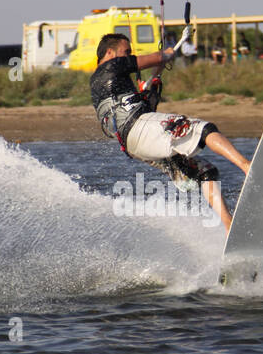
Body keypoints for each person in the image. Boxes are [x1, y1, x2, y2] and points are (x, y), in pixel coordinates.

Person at [90, 32, 249, 230]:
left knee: (205, 172)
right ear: (110, 52)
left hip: (134, 146)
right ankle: (246, 166)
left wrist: (148, 96)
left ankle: (228, 224)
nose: (129, 55)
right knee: (204, 129)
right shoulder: (111, 64)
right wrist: (166, 55)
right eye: (126, 51)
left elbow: (127, 110)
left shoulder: (98, 82)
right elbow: (158, 57)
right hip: (138, 128)